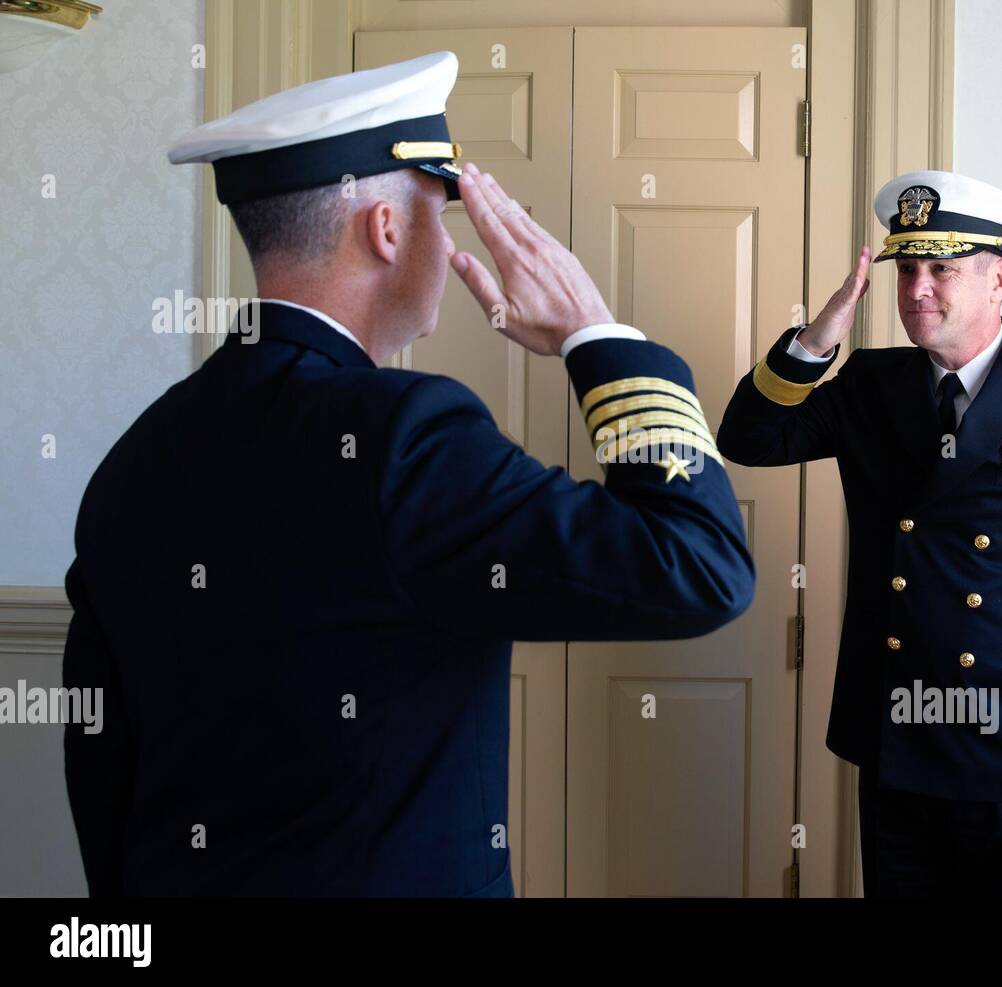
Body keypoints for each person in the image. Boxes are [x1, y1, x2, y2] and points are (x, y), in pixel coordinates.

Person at [62, 51, 753, 897]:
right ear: (385, 229)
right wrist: (597, 337)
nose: (450, 243)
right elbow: (698, 565)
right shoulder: (407, 437)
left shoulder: (136, 457)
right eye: (441, 213)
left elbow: (100, 764)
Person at [717, 170, 1002, 896]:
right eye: (906, 270)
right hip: (899, 739)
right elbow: (747, 438)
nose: (917, 289)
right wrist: (818, 338)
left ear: (1000, 279)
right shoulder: (869, 384)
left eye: (942, 270)